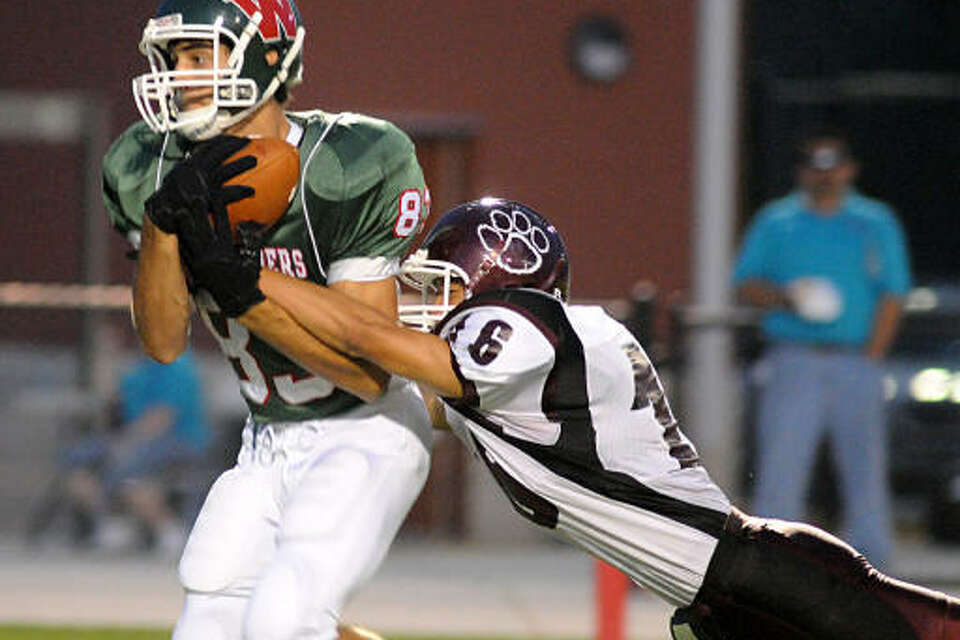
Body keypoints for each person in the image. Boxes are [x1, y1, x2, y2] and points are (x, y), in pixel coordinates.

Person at [177, 195, 958, 639]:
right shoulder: (507, 377)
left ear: (500, 284)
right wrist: (243, 295)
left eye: (442, 284)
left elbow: (378, 345)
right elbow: (365, 373)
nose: (421, 302)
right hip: (716, 599)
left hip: (767, 579)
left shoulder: (539, 329)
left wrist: (252, 281)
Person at [101, 2, 433, 639]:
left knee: (285, 614)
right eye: (173, 60)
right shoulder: (150, 165)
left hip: (365, 431)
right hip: (265, 439)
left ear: (269, 57)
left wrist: (247, 293)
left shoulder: (346, 164)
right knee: (205, 628)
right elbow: (165, 342)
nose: (181, 77)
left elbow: (370, 372)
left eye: (200, 57)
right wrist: (164, 228)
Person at [732, 128, 911, 570]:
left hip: (856, 361)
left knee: (865, 474)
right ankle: (772, 567)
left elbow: (894, 291)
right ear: (802, 173)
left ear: (848, 171)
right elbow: (746, 285)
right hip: (793, 358)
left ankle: (876, 573)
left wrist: (873, 354)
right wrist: (789, 297)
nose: (825, 179)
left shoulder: (873, 221)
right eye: (816, 170)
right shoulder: (778, 221)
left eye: (833, 170)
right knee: (781, 469)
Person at [59, 350, 211, 556]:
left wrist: (128, 442)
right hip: (131, 437)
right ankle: (112, 525)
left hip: (176, 442)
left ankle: (169, 530)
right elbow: (112, 403)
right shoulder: (141, 364)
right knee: (78, 460)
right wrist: (105, 359)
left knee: (129, 470)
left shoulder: (177, 363)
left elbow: (163, 417)